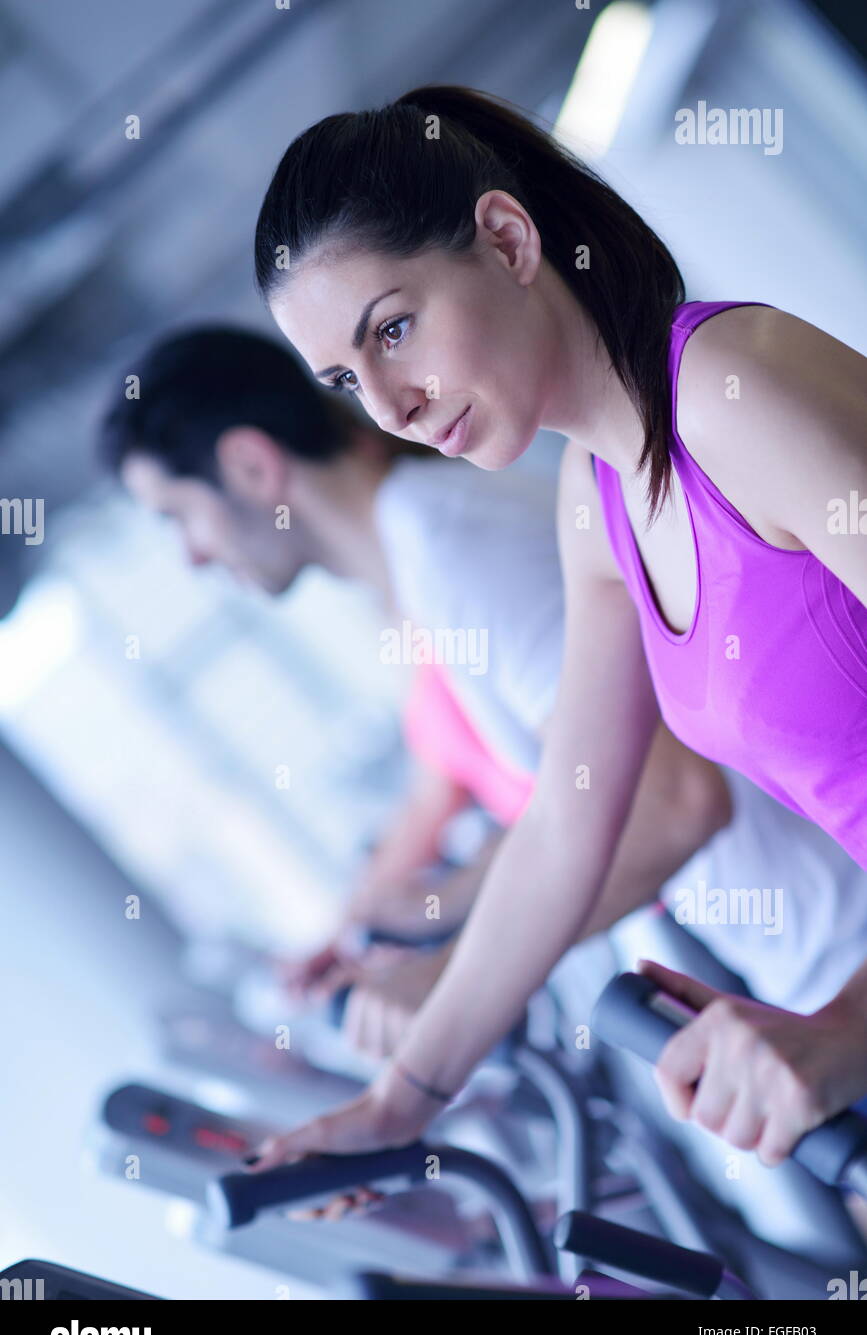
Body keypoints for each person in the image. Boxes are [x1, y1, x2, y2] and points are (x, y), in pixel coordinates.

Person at [241, 83, 867, 1204]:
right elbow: (570, 822)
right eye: (345, 378)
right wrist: (401, 1103)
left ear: (506, 237)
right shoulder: (601, 500)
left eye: (393, 329)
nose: (387, 403)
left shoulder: (731, 389)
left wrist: (849, 1021)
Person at [99, 325, 727, 1057]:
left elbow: (667, 801)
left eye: (178, 516)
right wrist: (415, 918)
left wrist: (452, 969)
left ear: (249, 466)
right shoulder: (418, 552)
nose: (192, 558)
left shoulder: (444, 539)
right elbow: (567, 798)